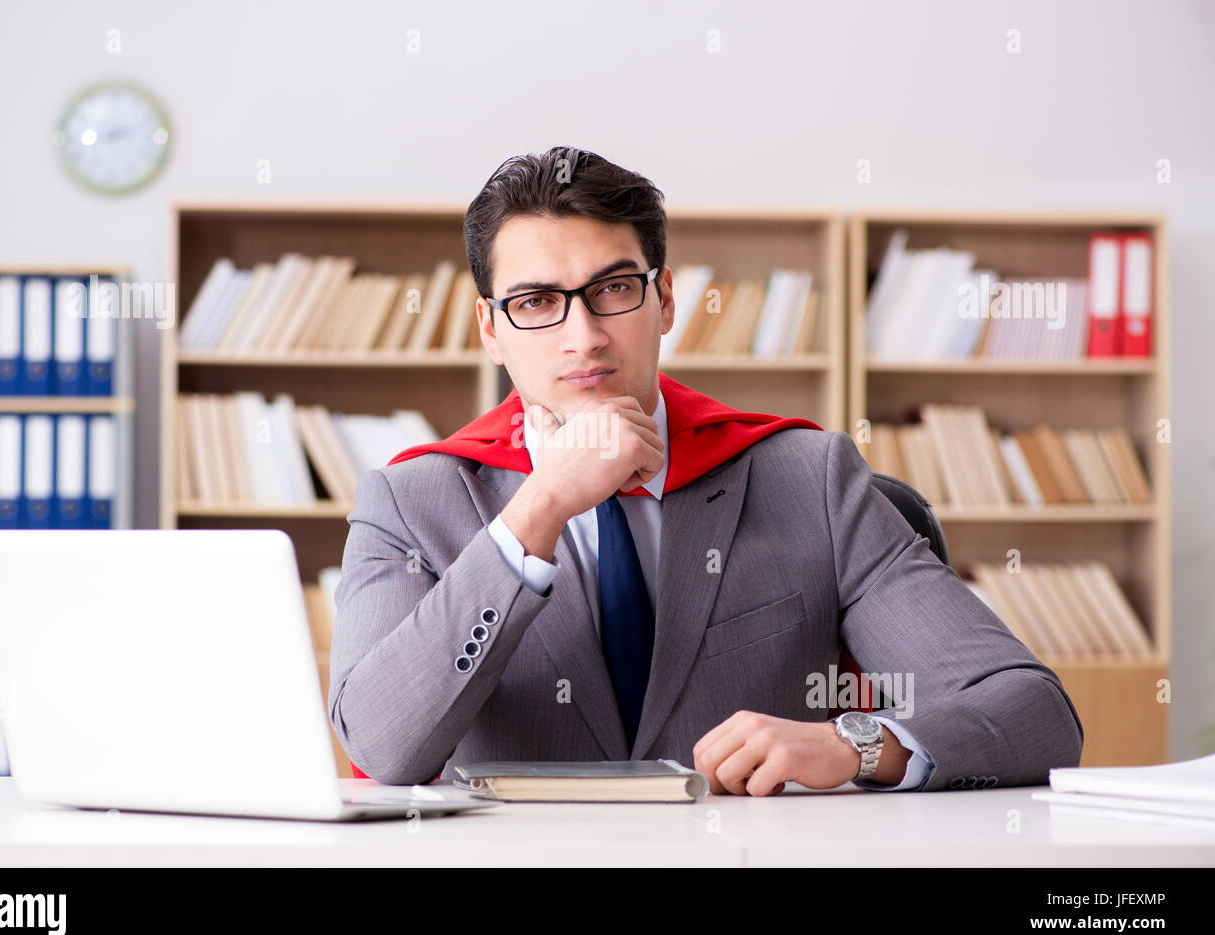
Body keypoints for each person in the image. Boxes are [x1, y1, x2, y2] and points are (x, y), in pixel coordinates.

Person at [328, 145, 1083, 794]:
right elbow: (382, 747)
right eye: (535, 302)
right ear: (491, 328)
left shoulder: (810, 479)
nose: (582, 335)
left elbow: (1035, 714)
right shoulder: (410, 501)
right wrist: (543, 505)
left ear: (663, 300)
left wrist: (854, 744)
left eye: (614, 289)